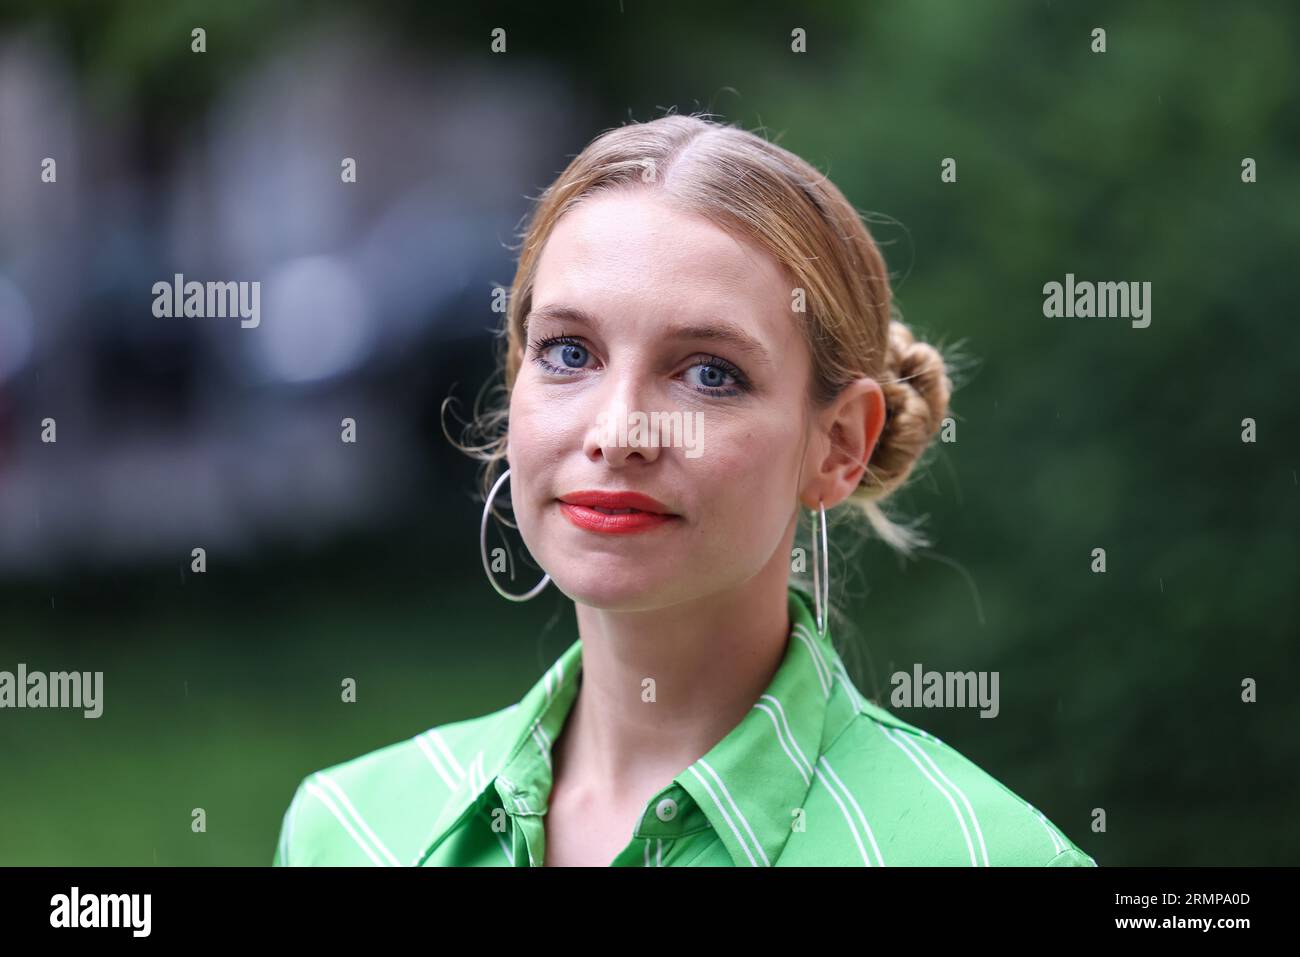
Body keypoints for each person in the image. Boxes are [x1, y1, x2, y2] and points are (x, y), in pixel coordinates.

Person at [273, 113, 1096, 867]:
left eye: (709, 373)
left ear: (839, 445)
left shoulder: (990, 855)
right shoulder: (348, 830)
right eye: (568, 352)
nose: (619, 430)